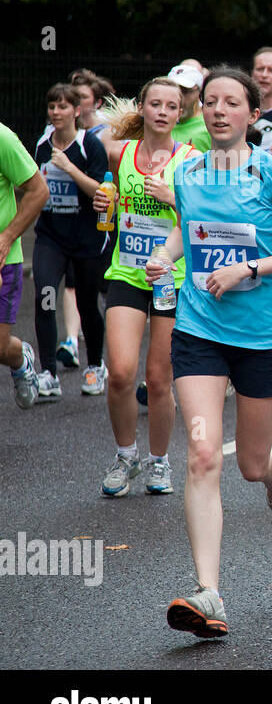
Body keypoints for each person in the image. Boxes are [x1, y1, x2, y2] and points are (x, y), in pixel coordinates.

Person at [149, 66, 272, 638]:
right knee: (202, 455)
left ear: (253, 114)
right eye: (210, 102)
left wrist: (250, 267)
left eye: (232, 103)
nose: (219, 111)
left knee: (251, 465)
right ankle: (209, 593)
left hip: (264, 338)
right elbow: (189, 226)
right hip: (200, 332)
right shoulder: (190, 171)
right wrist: (168, 256)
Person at [93, 77, 200, 496]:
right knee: (119, 373)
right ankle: (126, 455)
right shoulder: (121, 153)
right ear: (142, 107)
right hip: (127, 272)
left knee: (158, 378)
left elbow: (205, 216)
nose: (161, 112)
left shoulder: (191, 159)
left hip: (171, 277)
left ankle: (159, 461)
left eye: (169, 106)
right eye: (153, 104)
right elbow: (112, 202)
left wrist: (173, 196)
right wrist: (106, 202)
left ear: (179, 113)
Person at [31, 83, 110, 401]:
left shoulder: (89, 144)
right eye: (52, 107)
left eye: (63, 107)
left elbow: (101, 193)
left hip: (87, 239)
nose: (56, 112)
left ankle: (94, 366)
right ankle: (48, 373)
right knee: (44, 295)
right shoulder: (41, 144)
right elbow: (33, 184)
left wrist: (69, 167)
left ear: (77, 111)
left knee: (87, 305)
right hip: (51, 236)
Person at [0, 120, 47, 410]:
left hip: (3, 260)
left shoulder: (3, 138)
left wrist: (6, 237)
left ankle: (19, 356)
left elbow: (38, 191)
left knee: (0, 347)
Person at [168, 64, 211, 152]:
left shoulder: (210, 128)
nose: (178, 97)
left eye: (185, 91)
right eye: (172, 91)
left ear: (200, 94)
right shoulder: (154, 125)